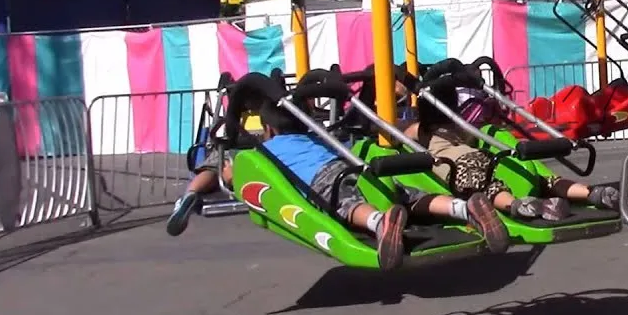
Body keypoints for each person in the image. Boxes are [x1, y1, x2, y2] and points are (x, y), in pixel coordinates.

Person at [170, 102, 510, 267]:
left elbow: (222, 175)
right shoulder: (317, 140)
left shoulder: (265, 150)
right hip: (350, 166)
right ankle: (464, 208)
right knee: (409, 194)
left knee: (345, 205)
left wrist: (191, 194)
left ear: (269, 130)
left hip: (323, 180)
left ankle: (379, 222)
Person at [398, 78, 620, 221]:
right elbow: (479, 129)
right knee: (545, 178)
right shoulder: (461, 126)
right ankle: (590, 193)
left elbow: (403, 135)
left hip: (456, 163)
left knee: (488, 187)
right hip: (482, 155)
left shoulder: (423, 129)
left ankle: (516, 205)